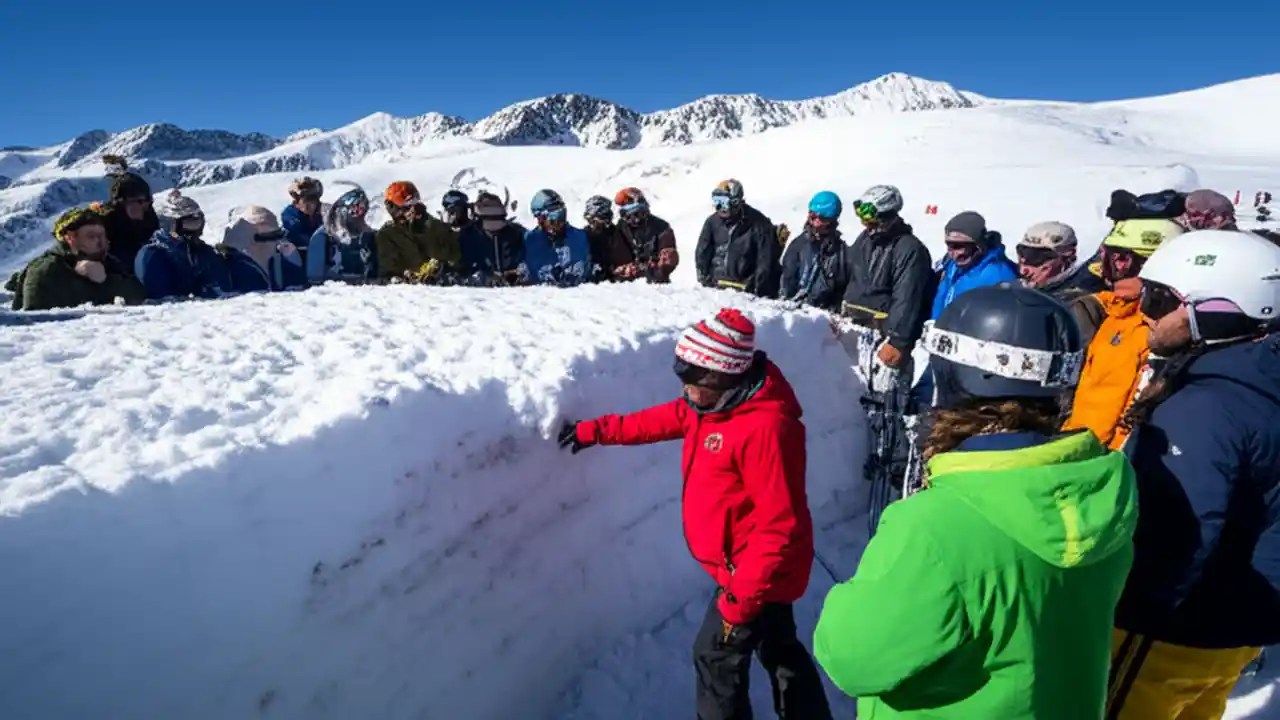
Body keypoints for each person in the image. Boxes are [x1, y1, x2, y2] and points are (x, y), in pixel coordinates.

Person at [815, 284, 1137, 720]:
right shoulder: (1101, 492)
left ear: (953, 380)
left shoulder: (935, 525)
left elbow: (853, 660)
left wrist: (848, 600)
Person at [557, 309, 833, 720]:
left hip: (754, 572)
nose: (685, 389)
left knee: (714, 658)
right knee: (779, 648)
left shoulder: (765, 429)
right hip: (749, 569)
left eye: (693, 379)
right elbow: (654, 421)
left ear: (723, 374)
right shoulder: (710, 405)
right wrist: (594, 431)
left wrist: (738, 599)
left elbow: (779, 526)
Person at [1106, 229, 1280, 719]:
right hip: (1235, 624)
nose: (1145, 312)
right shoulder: (1259, 378)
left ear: (1218, 308)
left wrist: (1124, 612)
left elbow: (1176, 533)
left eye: (1160, 300)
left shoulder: (1206, 405)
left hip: (1170, 632)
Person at [1063, 219, 1184, 449]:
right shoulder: (1113, 312)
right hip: (1079, 447)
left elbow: (1124, 414)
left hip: (1107, 458)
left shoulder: (1159, 328)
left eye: (1119, 258)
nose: (1106, 266)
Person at [135, 190, 270, 300]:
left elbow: (224, 289)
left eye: (198, 223)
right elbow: (163, 301)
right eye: (189, 224)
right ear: (170, 225)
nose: (195, 231)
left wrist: (235, 259)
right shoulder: (153, 255)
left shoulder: (203, 253)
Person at [7, 204, 145, 311]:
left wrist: (106, 280)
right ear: (71, 238)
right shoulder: (45, 270)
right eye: (92, 236)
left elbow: (138, 291)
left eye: (103, 236)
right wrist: (92, 281)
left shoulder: (108, 262)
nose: (101, 242)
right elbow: (38, 318)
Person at [695, 179, 782, 297]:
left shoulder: (759, 224)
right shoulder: (712, 222)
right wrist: (705, 280)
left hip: (745, 288)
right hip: (715, 286)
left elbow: (765, 260)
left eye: (723, 202)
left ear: (735, 202)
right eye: (716, 201)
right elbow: (702, 252)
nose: (719, 207)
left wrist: (757, 288)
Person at [930, 210, 1018, 320]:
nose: (953, 254)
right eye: (949, 245)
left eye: (959, 246)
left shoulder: (998, 276)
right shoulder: (952, 267)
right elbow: (940, 300)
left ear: (978, 246)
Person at [779, 190, 851, 311]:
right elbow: (786, 277)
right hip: (791, 309)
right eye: (813, 217)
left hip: (820, 315)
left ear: (832, 220)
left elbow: (840, 289)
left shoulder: (840, 252)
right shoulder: (798, 244)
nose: (816, 223)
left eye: (822, 219)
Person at [375, 181, 461, 283]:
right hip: (411, 292)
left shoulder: (432, 225)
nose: (412, 210)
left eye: (414, 204)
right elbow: (387, 269)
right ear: (393, 208)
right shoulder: (387, 234)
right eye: (407, 206)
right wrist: (405, 276)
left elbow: (454, 254)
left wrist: (440, 265)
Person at [1016, 221, 1106, 302]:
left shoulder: (1083, 293)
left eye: (1036, 258)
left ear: (1068, 255)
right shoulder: (1018, 288)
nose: (1023, 270)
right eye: (1022, 254)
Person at [221, 206, 306, 291]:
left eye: (275, 236)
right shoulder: (230, 265)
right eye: (265, 237)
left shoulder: (282, 261)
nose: (272, 243)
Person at [306, 186, 378, 283]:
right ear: (340, 211)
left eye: (364, 209)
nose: (362, 215)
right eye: (356, 210)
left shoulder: (369, 236)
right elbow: (315, 280)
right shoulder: (322, 238)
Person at [523, 189, 592, 286]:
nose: (559, 223)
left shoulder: (581, 237)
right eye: (553, 219)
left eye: (561, 217)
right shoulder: (530, 241)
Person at [458, 192, 526, 285]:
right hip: (516, 285)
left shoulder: (467, 233)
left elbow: (461, 263)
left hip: (477, 288)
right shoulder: (517, 231)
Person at [99, 170, 160, 272]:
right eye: (139, 201)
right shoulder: (103, 228)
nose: (146, 205)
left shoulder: (148, 218)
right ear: (122, 203)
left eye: (148, 200)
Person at [615, 187, 679, 283]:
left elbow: (668, 256)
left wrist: (652, 267)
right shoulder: (621, 227)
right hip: (623, 282)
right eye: (628, 216)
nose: (634, 220)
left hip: (654, 279)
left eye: (637, 214)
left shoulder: (661, 227)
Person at [582, 195, 632, 281]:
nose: (594, 224)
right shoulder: (584, 234)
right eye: (591, 220)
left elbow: (623, 259)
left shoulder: (614, 234)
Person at [282, 177, 325, 253]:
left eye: (314, 199)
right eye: (307, 199)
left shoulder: (321, 212)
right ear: (297, 200)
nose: (311, 204)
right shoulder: (290, 215)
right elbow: (297, 233)